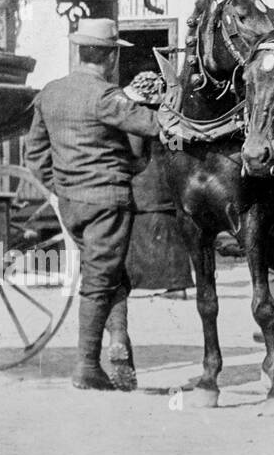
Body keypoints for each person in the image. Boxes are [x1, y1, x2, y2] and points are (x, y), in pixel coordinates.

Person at [24, 19, 159, 391]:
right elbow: (154, 126)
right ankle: (86, 366)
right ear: (112, 56)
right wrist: (152, 101)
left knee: (108, 271)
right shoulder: (106, 96)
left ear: (80, 51)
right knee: (100, 280)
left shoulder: (50, 92)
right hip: (107, 203)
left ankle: (119, 342)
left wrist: (65, 187)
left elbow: (34, 156)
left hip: (72, 205)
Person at [121, 71, 193, 303]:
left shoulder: (139, 120)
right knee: (171, 237)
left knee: (143, 237)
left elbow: (134, 153)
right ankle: (176, 285)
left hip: (145, 184)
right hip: (170, 184)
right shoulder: (170, 118)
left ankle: (152, 285)